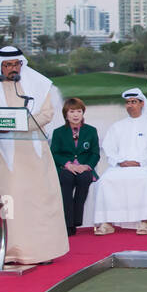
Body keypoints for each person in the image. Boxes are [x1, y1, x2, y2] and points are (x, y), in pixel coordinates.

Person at [0, 46, 68, 264]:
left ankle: (43, 252)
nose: (13, 68)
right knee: (12, 202)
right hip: (5, 153)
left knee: (38, 200)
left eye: (16, 64)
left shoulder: (38, 84)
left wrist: (16, 124)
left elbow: (47, 114)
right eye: (8, 65)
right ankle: (14, 251)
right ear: (0, 66)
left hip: (33, 151)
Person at [93, 88, 147, 235]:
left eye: (133, 102)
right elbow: (108, 147)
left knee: (144, 181)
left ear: (142, 104)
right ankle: (107, 222)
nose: (130, 105)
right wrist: (120, 162)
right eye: (127, 103)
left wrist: (140, 163)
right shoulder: (118, 126)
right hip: (120, 166)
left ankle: (143, 221)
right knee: (105, 180)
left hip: (145, 166)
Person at [50, 97, 99, 236]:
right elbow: (54, 153)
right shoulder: (58, 132)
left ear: (83, 113)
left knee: (84, 179)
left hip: (84, 168)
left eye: (79, 111)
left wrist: (86, 166)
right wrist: (67, 165)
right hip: (65, 168)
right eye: (72, 111)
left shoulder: (91, 131)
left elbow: (95, 153)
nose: (76, 115)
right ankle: (68, 224)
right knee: (66, 180)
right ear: (66, 114)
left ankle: (77, 220)